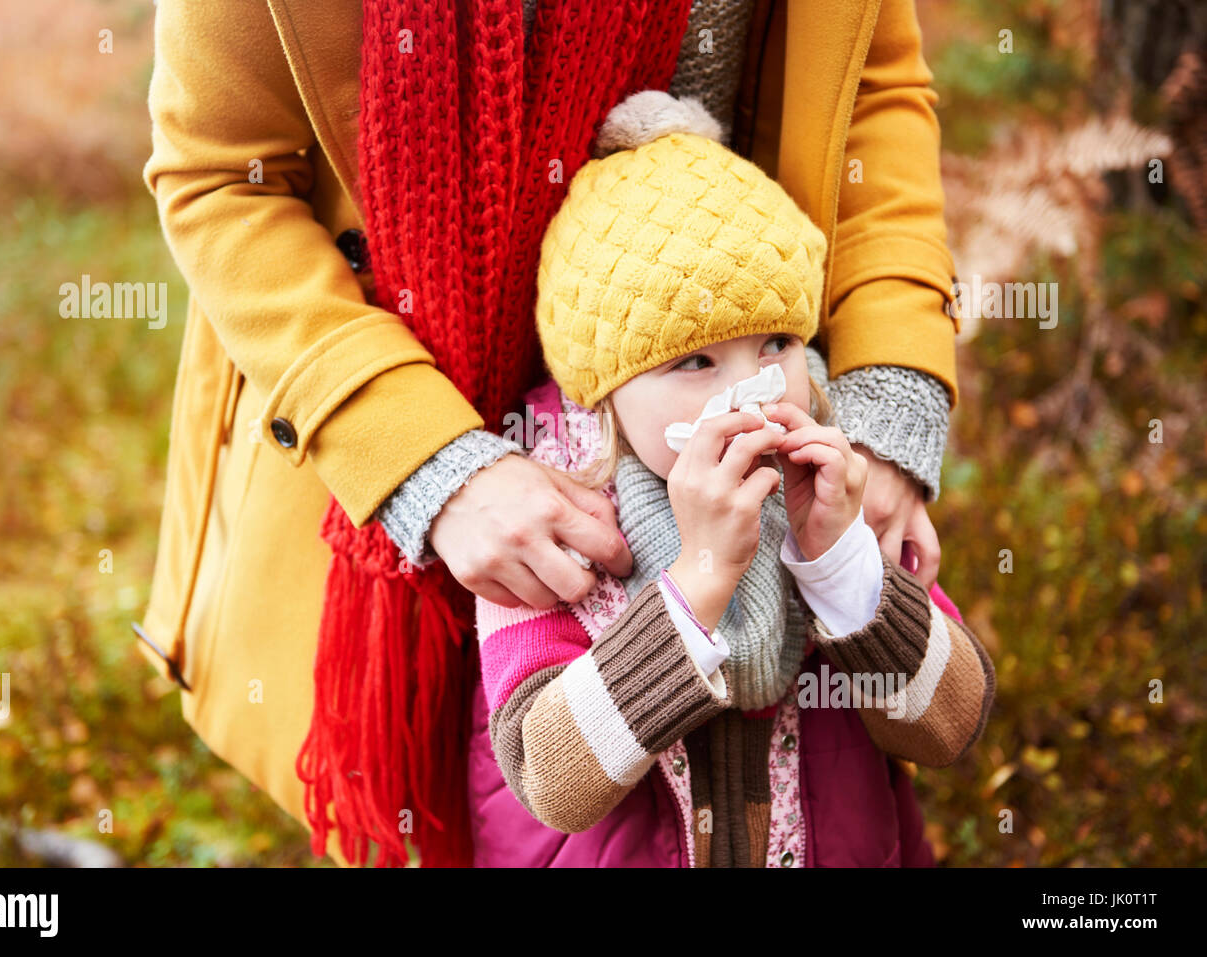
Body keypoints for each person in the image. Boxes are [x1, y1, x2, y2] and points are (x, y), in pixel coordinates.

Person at [138, 0, 964, 867]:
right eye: (723, 373)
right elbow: (224, 175)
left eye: (769, 360)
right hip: (437, 401)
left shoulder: (806, 473)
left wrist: (885, 400)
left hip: (750, 269)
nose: (748, 395)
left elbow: (870, 84)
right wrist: (424, 462)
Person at [470, 92, 994, 866]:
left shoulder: (829, 466)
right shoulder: (548, 509)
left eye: (777, 342)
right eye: (696, 361)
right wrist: (702, 576)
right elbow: (552, 781)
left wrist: (840, 561)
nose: (755, 392)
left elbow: (949, 723)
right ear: (603, 386)